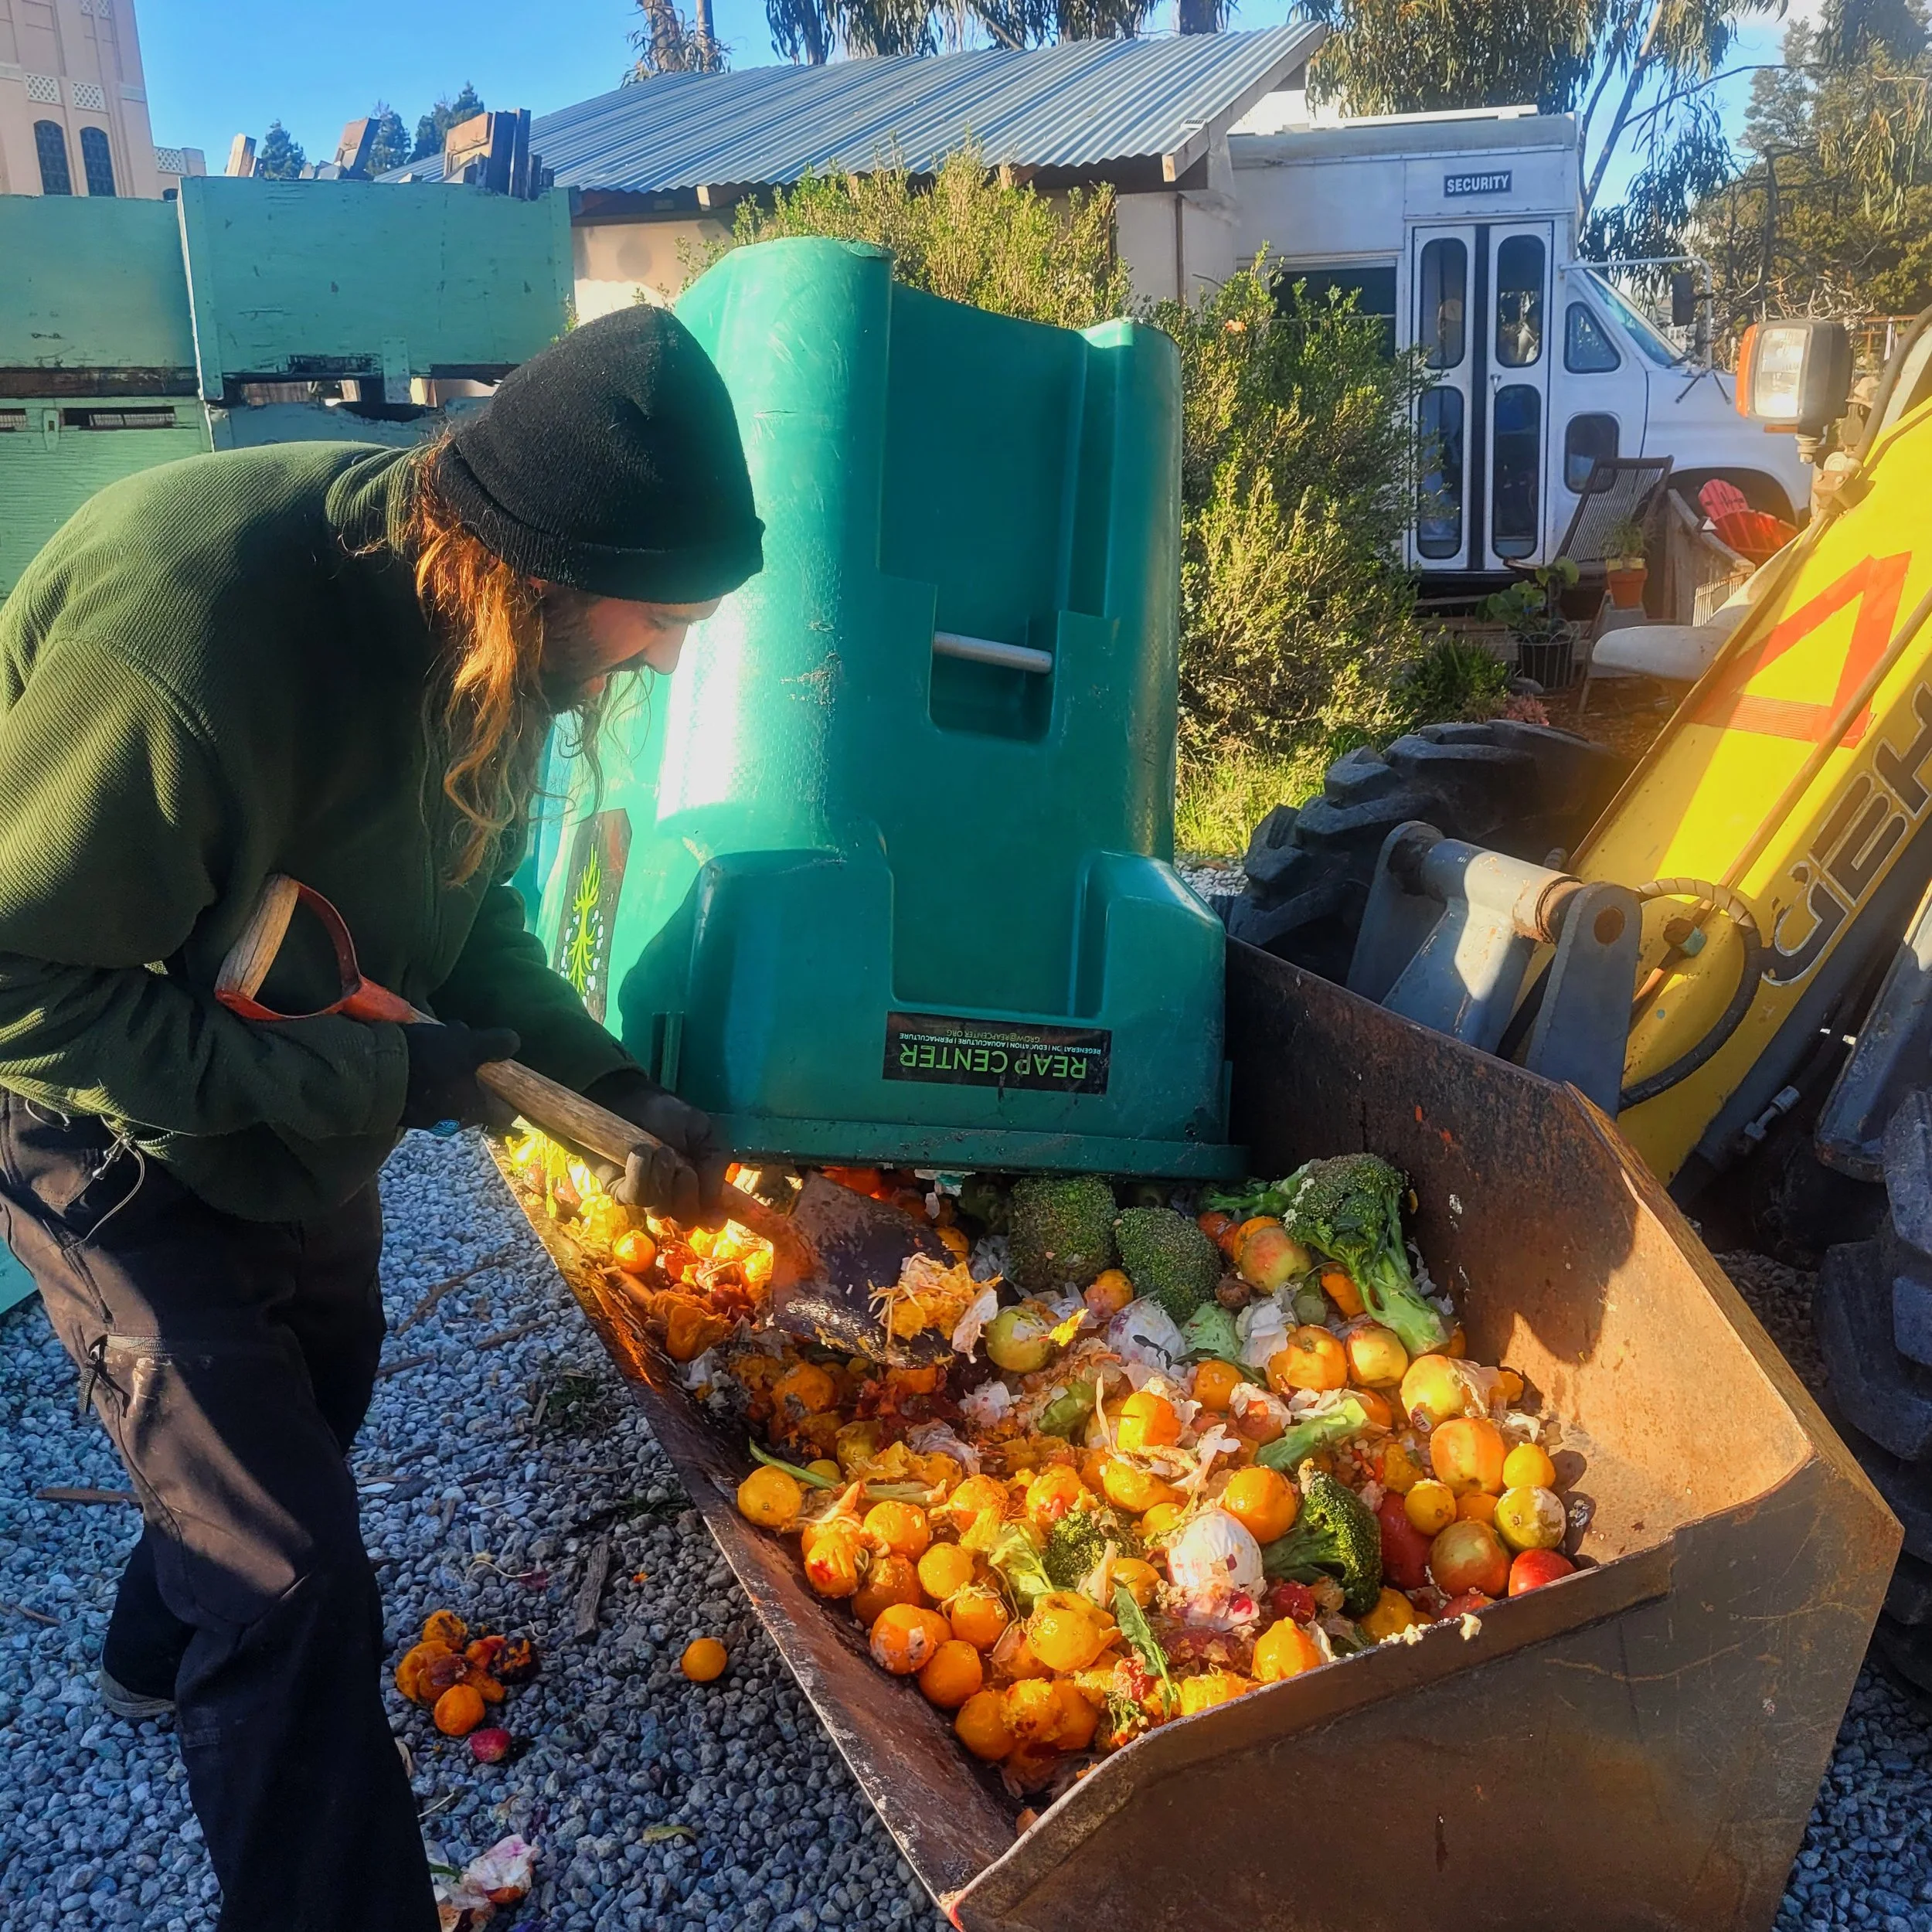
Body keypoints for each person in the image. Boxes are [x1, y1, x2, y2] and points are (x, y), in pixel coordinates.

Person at [0, 304, 762, 1930]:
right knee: (283, 1572)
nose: (667, 658)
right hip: (94, 1096)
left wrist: (607, 1085)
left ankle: (151, 1653)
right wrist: (370, 1080)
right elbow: (17, 978)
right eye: (659, 619)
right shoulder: (189, 645)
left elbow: (463, 914)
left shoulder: (495, 635)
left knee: (324, 1372)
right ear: (538, 571)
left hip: (281, 1046)